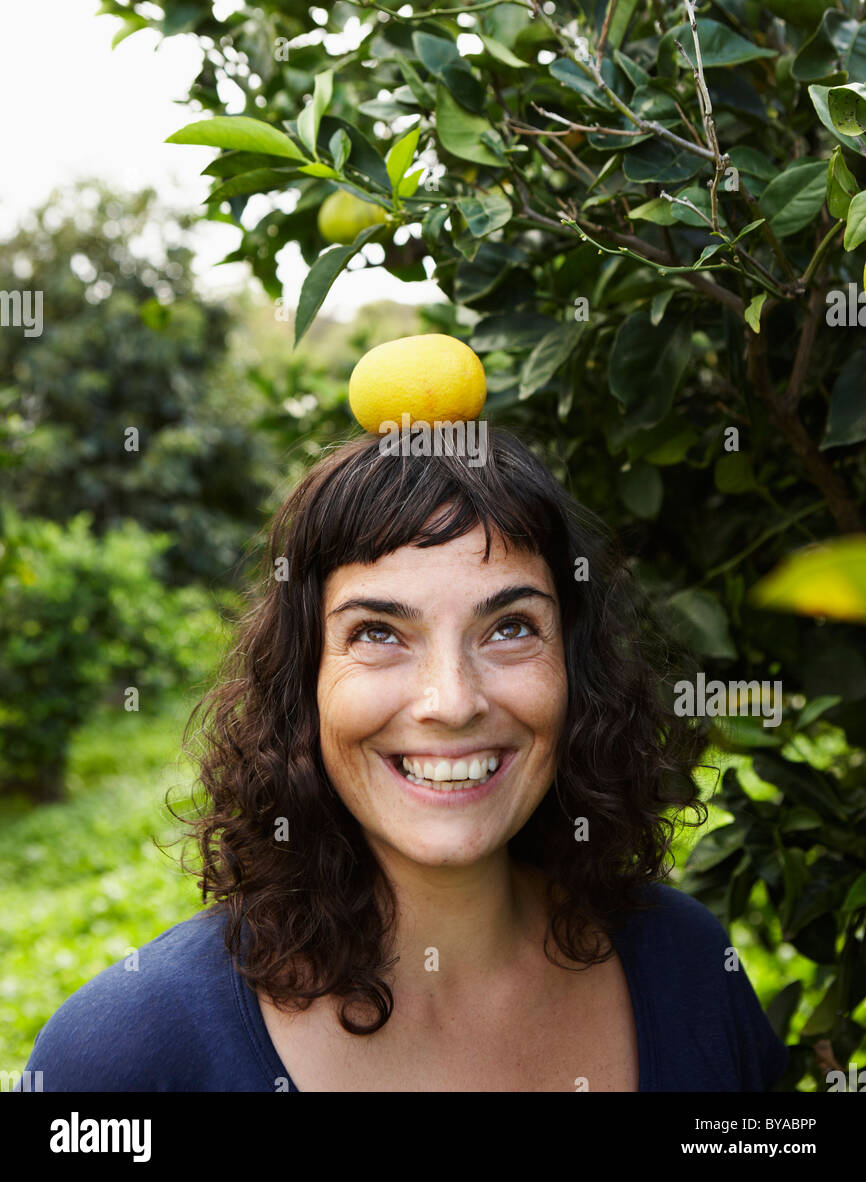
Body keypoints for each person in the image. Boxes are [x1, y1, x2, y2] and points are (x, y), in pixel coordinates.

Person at [18, 428, 788, 1091]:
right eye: (379, 633)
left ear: (578, 673)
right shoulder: (128, 1053)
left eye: (511, 627)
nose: (451, 702)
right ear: (303, 685)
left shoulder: (687, 970)